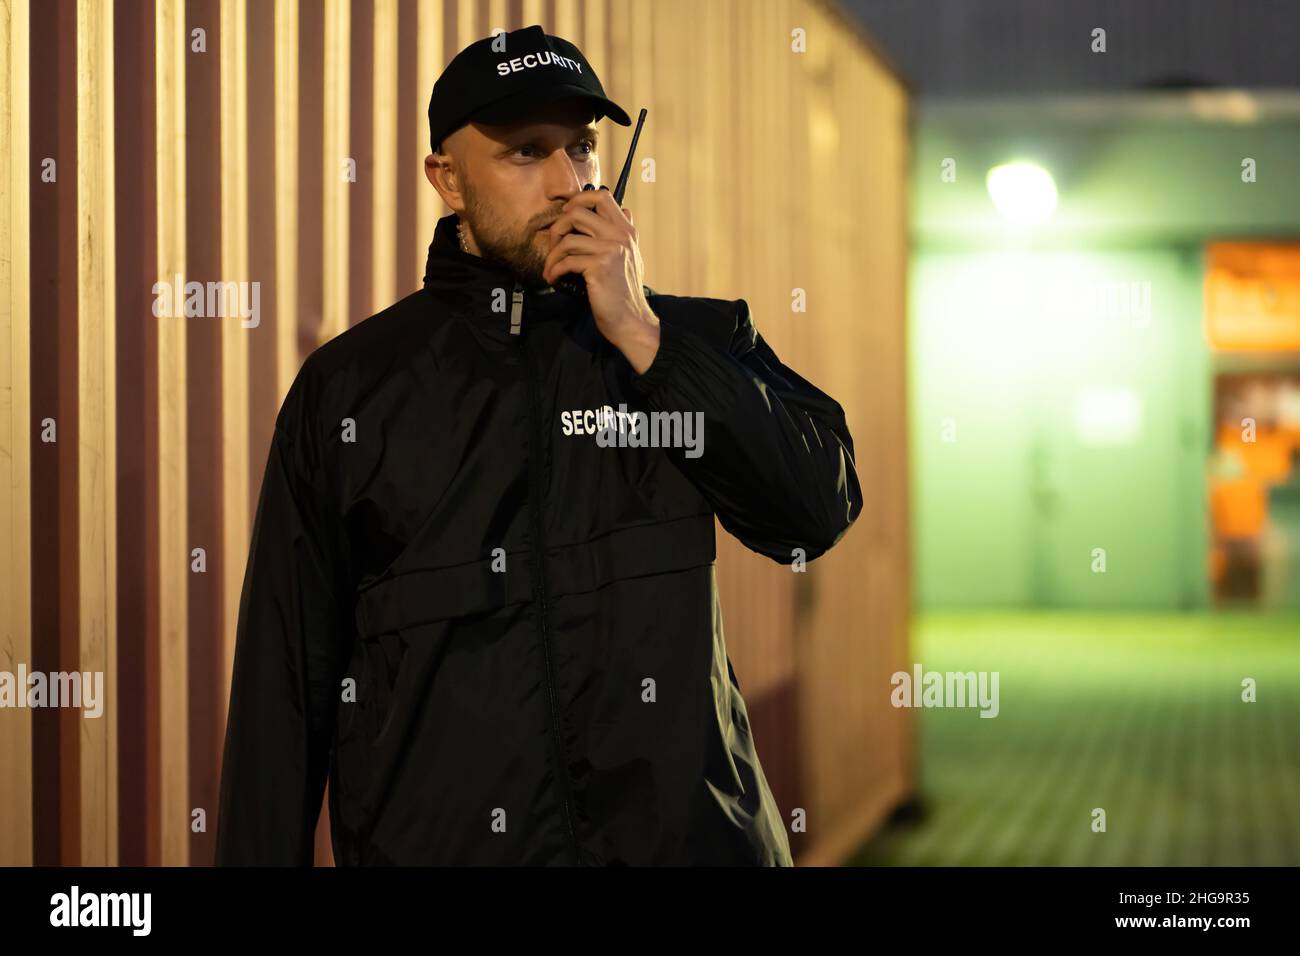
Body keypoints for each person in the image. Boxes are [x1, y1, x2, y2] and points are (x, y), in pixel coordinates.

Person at [215, 23, 862, 866]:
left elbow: (815, 512)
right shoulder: (350, 394)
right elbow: (283, 696)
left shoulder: (690, 342)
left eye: (583, 149)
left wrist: (644, 337)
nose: (567, 183)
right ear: (446, 180)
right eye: (525, 152)